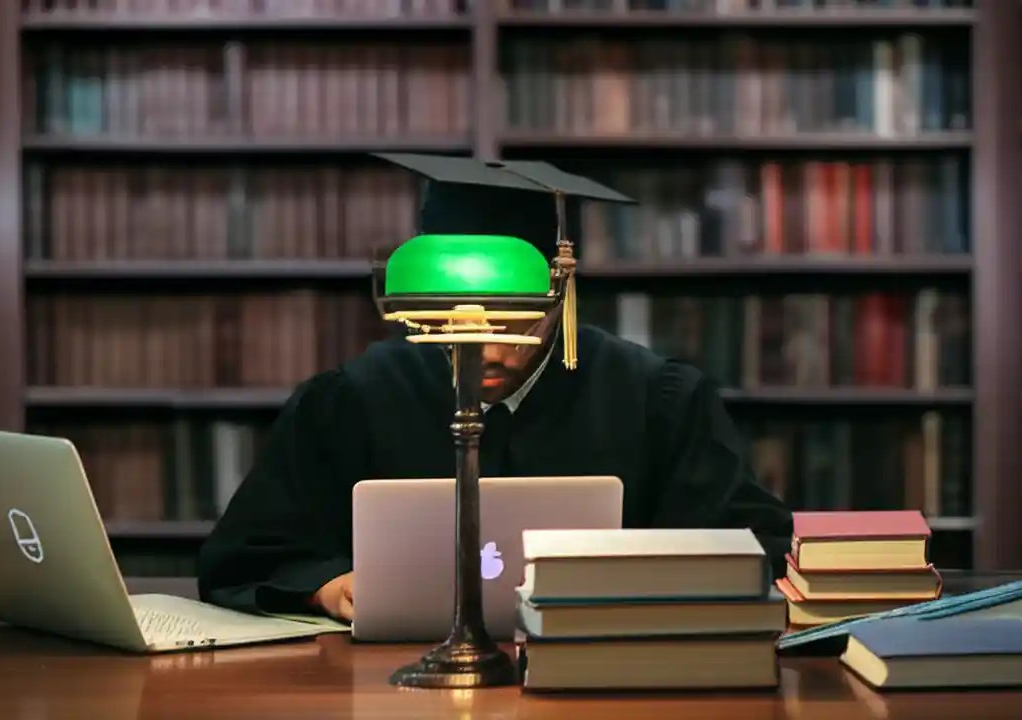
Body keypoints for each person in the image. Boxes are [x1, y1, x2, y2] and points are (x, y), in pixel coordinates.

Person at [197, 180, 793, 623]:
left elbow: (751, 547)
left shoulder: (657, 399)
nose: (483, 348)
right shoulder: (351, 400)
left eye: (514, 320)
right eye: (453, 319)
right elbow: (246, 554)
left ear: (559, 298)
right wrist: (324, 586)